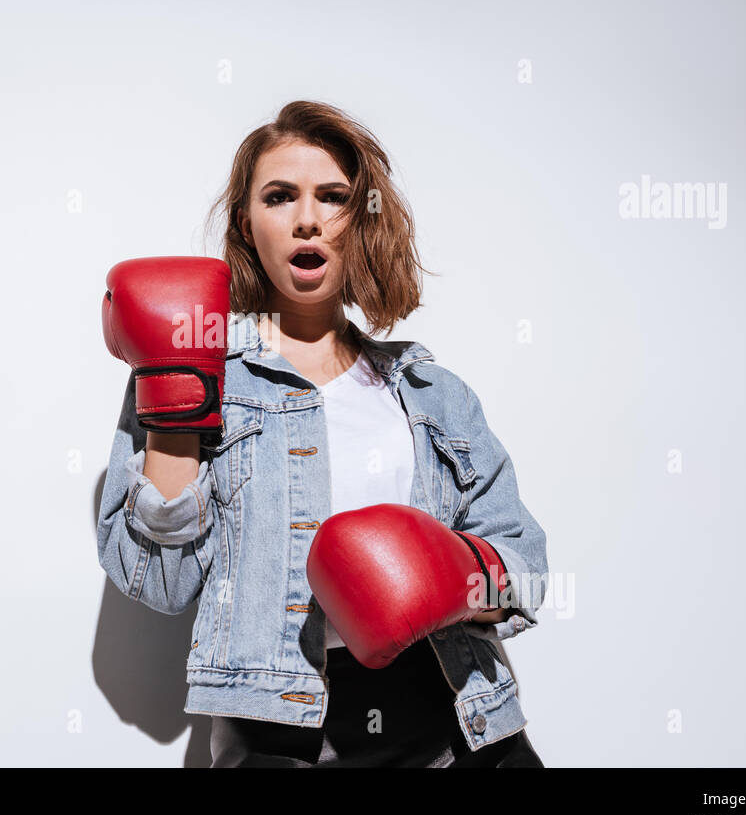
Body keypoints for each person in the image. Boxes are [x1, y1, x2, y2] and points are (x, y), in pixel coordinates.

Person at [98, 100, 549, 767]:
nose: (307, 218)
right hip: (278, 729)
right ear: (247, 227)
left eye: (333, 197)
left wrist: (453, 576)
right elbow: (160, 584)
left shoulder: (432, 395)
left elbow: (529, 575)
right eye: (279, 197)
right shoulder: (192, 371)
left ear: (361, 222)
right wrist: (175, 393)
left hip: (460, 718)